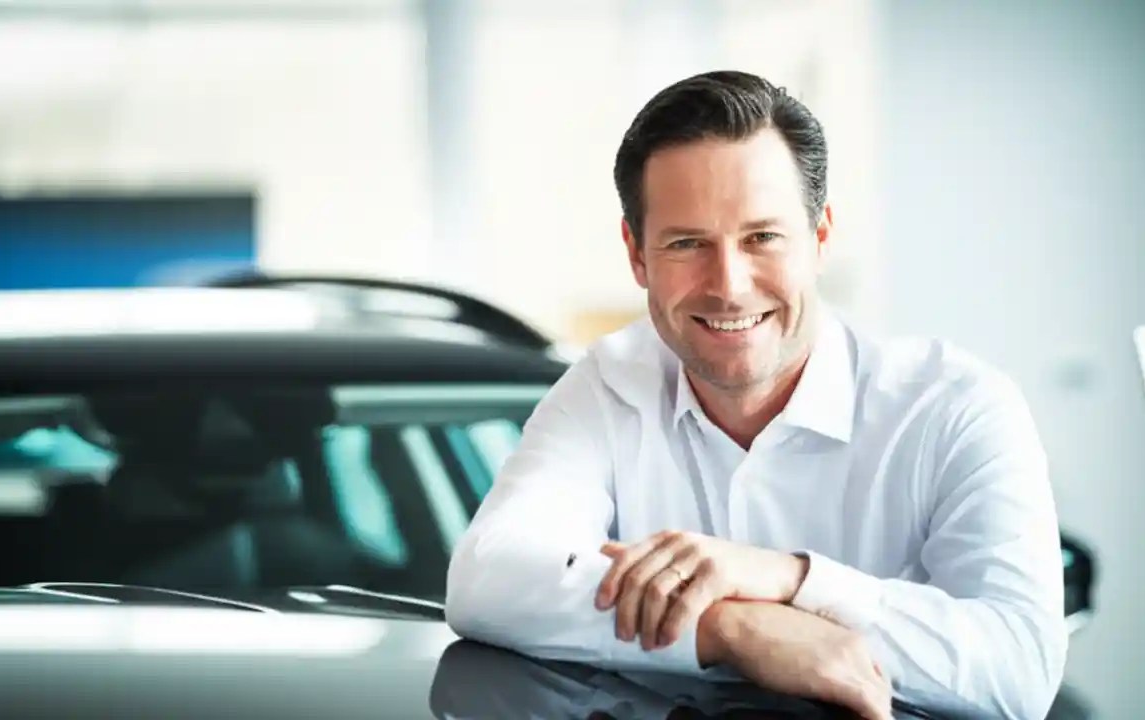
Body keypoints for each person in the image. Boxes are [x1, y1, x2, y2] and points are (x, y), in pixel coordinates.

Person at [445, 70, 1066, 720]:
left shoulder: (955, 407)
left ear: (820, 236)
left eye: (762, 237)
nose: (730, 285)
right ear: (636, 255)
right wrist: (732, 629)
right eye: (687, 244)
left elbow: (1018, 672)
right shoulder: (608, 385)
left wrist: (794, 581)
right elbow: (487, 578)